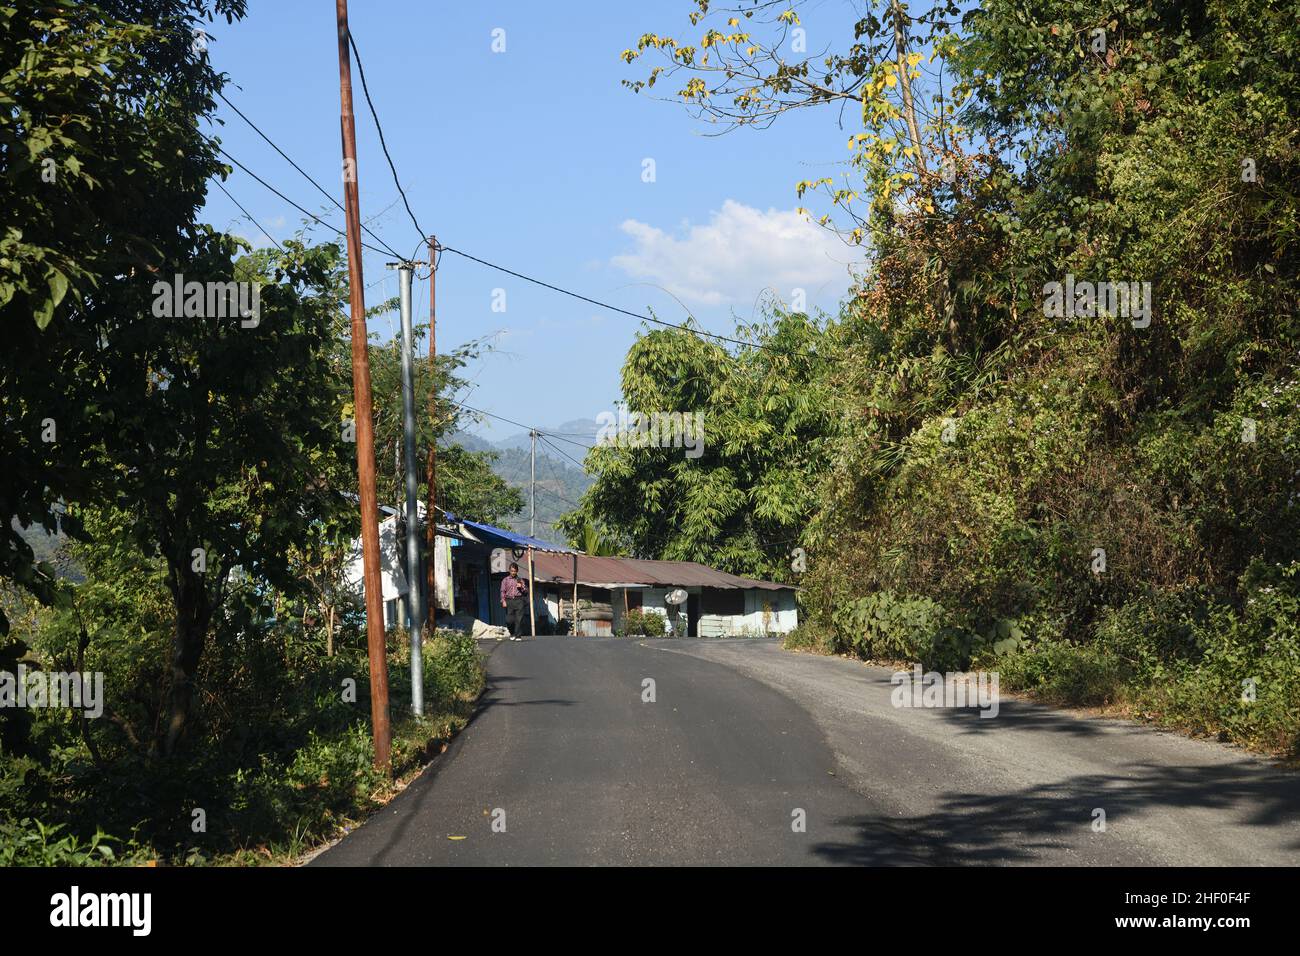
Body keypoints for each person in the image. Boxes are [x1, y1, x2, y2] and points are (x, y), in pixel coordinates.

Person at [500, 562, 529, 640]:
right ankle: (512, 633)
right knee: (509, 620)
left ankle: (518, 635)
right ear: (509, 571)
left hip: (519, 600)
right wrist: (503, 601)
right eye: (512, 571)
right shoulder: (505, 580)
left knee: (519, 619)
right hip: (509, 600)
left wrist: (522, 587)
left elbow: (526, 591)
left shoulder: (520, 580)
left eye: (515, 571)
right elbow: (502, 591)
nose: (513, 572)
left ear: (517, 571)